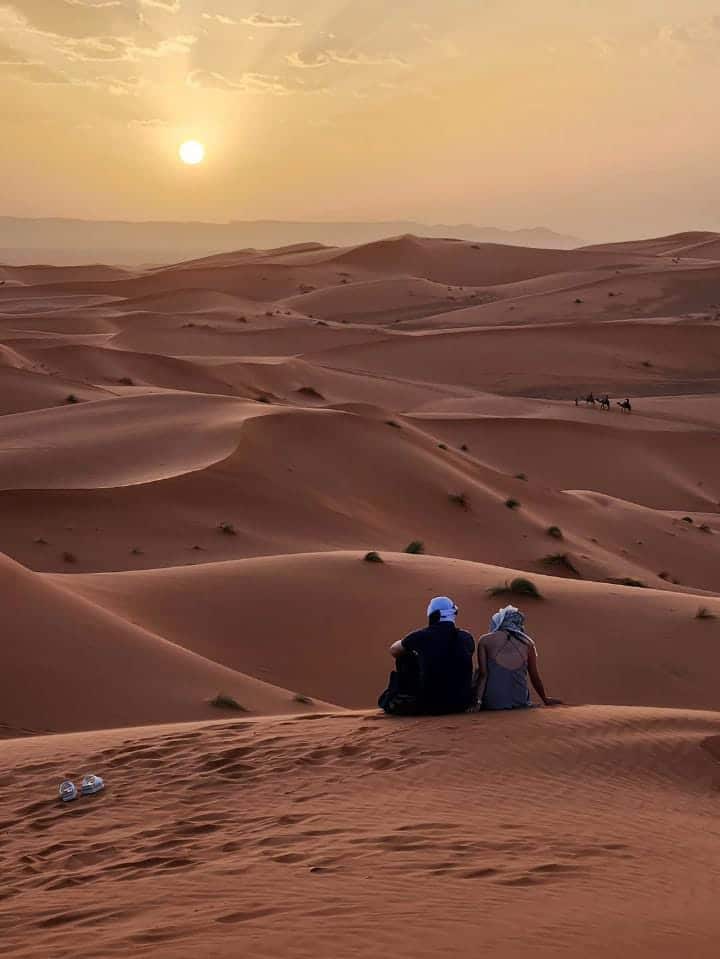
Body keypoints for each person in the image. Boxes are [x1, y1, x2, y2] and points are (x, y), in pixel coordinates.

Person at [379, 597, 475, 715]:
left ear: (431, 614)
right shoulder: (466, 637)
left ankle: (404, 695)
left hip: (430, 705)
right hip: (461, 704)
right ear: (454, 613)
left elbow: (394, 650)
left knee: (405, 657)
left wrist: (410, 645)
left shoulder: (420, 636)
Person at [475, 606, 561, 710]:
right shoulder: (528, 644)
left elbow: (483, 675)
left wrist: (478, 702)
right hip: (520, 700)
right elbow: (534, 676)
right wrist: (544, 699)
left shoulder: (485, 640)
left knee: (477, 672)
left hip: (493, 702)